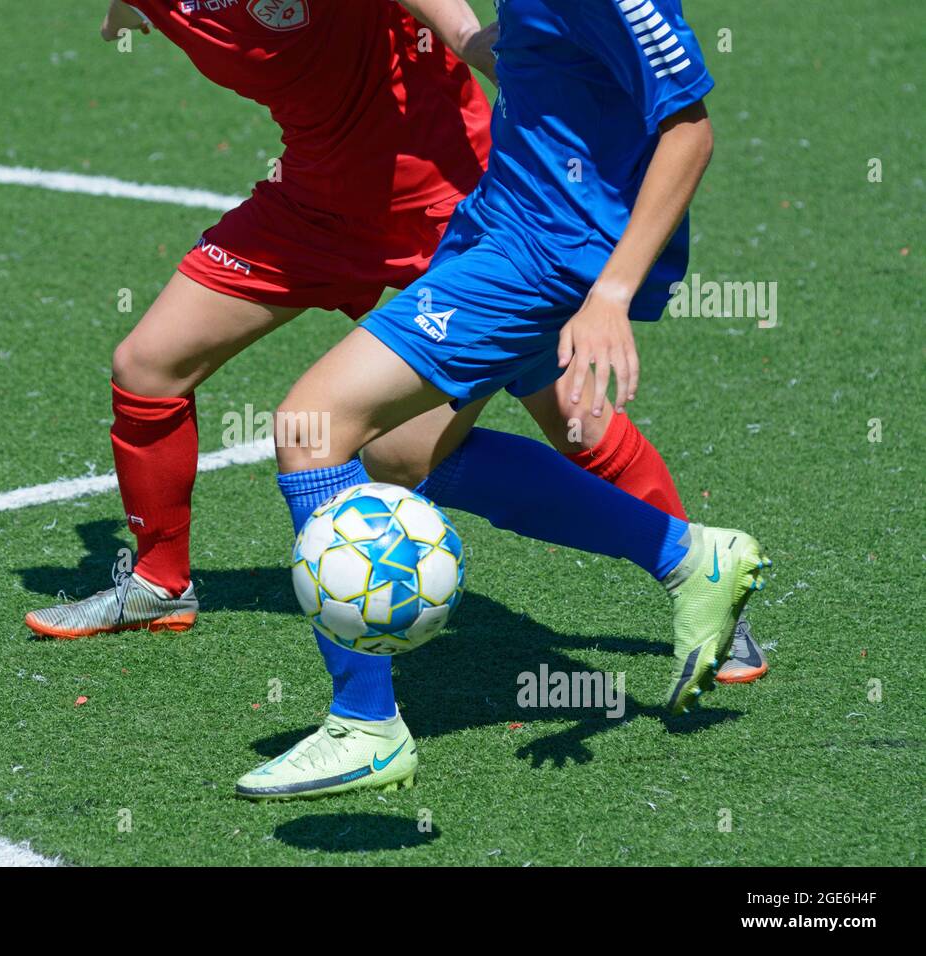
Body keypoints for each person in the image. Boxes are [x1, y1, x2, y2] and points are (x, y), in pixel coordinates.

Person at [26, 1, 737, 671]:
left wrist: (471, 43)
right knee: (149, 364)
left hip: (449, 202)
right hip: (312, 206)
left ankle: (708, 596)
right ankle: (159, 582)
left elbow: (684, 121)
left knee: (567, 418)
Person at [236, 0, 772, 801]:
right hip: (497, 222)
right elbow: (536, 49)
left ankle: (365, 728)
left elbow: (689, 130)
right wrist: (474, 39)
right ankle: (691, 557)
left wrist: (610, 293)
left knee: (311, 426)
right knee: (405, 453)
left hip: (550, 255)